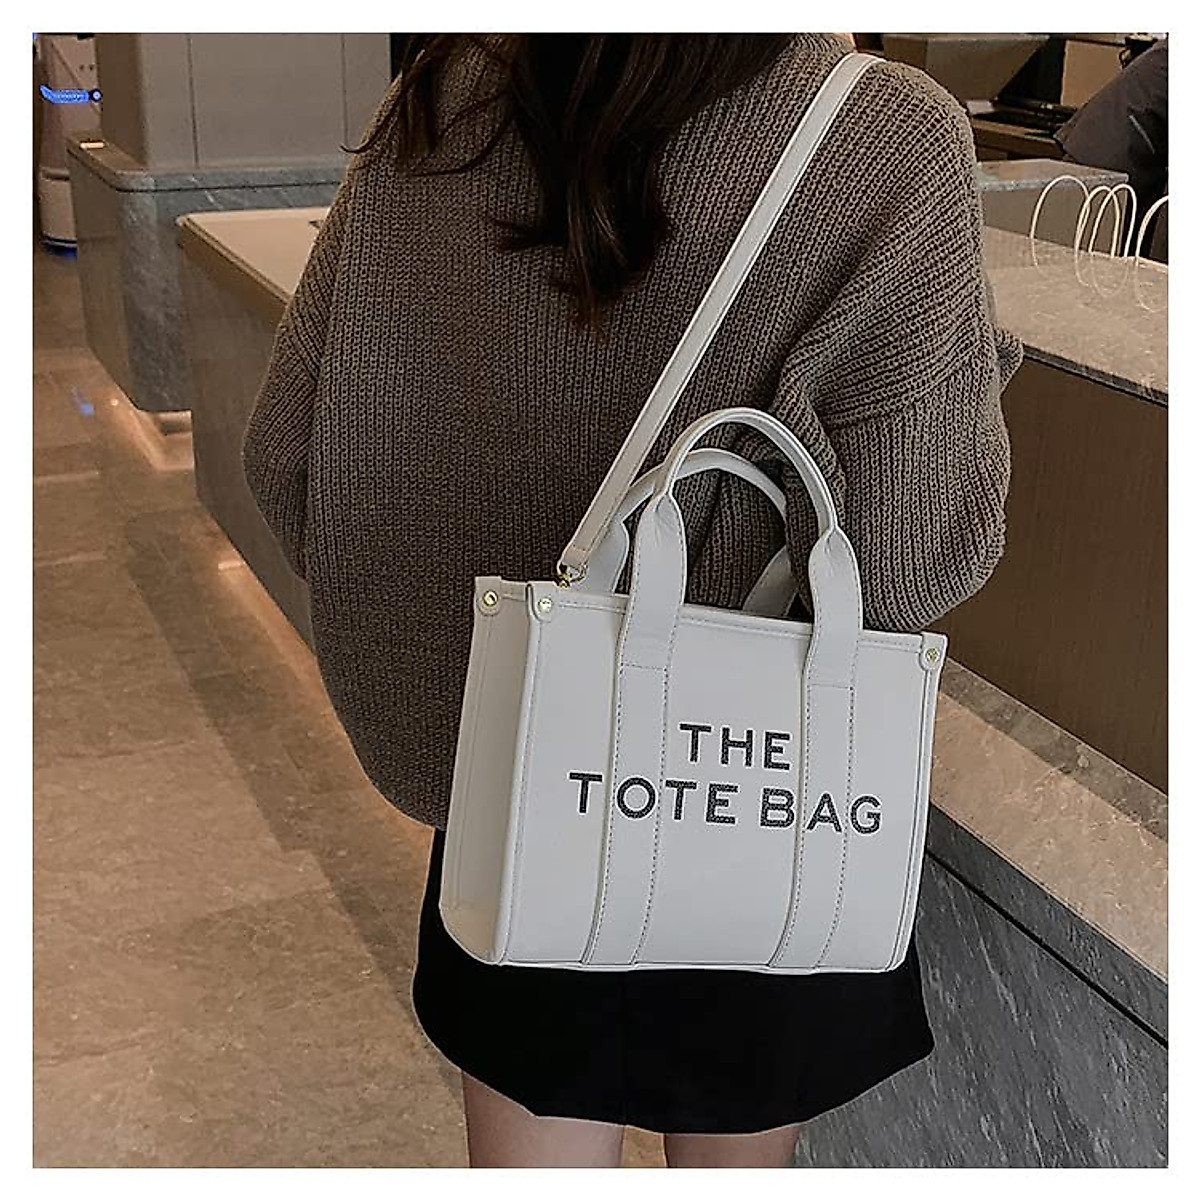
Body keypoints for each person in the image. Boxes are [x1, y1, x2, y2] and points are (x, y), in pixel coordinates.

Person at [242, 33, 1020, 1168]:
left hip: (519, 804)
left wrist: (457, 655)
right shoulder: (886, 133)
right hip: (760, 800)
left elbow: (290, 458)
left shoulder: (442, 105)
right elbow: (915, 559)